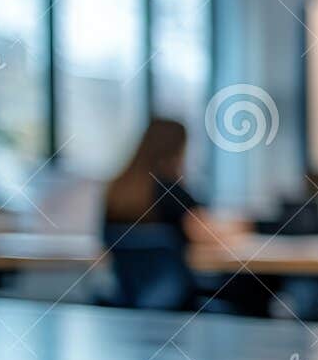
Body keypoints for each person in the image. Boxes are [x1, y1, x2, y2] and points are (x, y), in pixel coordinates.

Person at [102, 118, 247, 309]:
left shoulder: (116, 192)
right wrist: (244, 225)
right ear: (176, 150)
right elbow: (206, 234)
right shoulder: (170, 191)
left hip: (128, 299)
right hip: (177, 300)